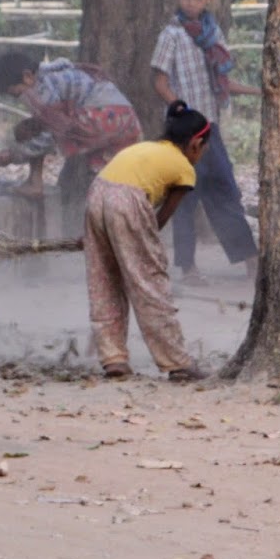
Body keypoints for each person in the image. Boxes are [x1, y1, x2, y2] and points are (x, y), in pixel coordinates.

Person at [150, 0, 260, 284]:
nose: (190, 3)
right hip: (185, 132)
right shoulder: (170, 35)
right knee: (185, 198)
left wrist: (259, 91)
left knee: (225, 190)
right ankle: (188, 268)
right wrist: (179, 109)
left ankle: (250, 259)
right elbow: (159, 81)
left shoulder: (213, 35)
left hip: (210, 128)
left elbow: (224, 83)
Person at [84, 101, 210, 382]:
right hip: (127, 203)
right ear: (196, 144)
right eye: (204, 149)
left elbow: (113, 189)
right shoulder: (184, 169)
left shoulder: (143, 148)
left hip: (97, 195)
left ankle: (113, 357)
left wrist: (105, 234)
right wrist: (139, 244)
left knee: (103, 278)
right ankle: (177, 362)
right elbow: (159, 219)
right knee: (148, 281)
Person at [0, 52, 142, 196]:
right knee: (109, 177)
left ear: (28, 77)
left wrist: (15, 155)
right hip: (126, 121)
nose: (19, 99)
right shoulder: (51, 75)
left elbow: (47, 137)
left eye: (16, 94)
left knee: (29, 130)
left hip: (103, 118)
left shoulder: (42, 88)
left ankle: (35, 183)